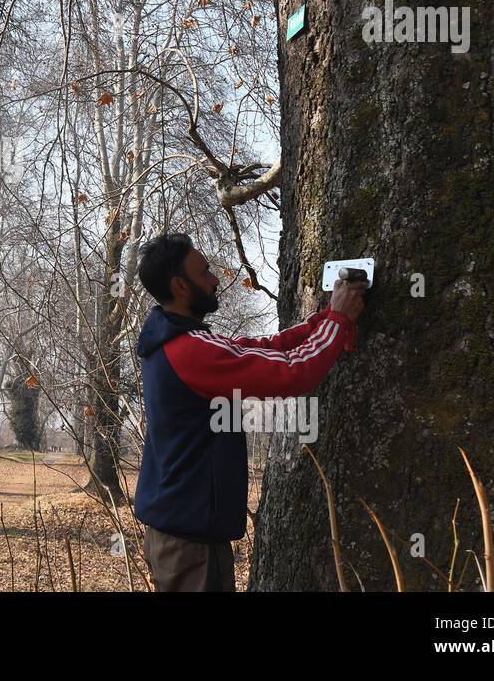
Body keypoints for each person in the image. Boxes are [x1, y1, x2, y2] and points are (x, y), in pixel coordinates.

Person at [133, 232, 367, 592]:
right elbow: (292, 372)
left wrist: (320, 321)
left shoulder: (175, 340)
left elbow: (259, 348)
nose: (214, 281)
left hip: (181, 531)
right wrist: (336, 320)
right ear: (180, 286)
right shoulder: (190, 350)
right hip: (190, 543)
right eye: (204, 272)